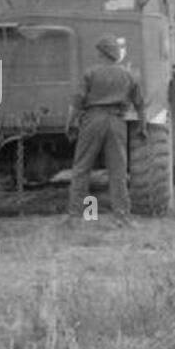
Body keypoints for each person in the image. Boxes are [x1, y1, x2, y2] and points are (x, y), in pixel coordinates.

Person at [65, 36, 144, 224]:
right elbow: (140, 104)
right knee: (118, 170)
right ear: (115, 54)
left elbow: (77, 102)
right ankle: (122, 216)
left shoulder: (90, 73)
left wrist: (70, 124)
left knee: (82, 168)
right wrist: (142, 126)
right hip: (117, 122)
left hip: (92, 120)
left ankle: (76, 216)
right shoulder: (128, 75)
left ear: (100, 53)